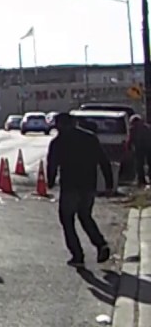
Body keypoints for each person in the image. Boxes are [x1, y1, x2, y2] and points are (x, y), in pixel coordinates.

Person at [47, 112, 113, 267]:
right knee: (85, 216)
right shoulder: (90, 138)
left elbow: (52, 165)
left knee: (67, 219)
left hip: (70, 186)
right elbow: (103, 161)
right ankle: (100, 244)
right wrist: (109, 183)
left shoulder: (58, 142)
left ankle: (77, 255)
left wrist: (50, 182)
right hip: (88, 185)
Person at [127, 115, 151, 186]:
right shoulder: (147, 127)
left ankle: (141, 179)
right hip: (147, 147)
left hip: (139, 148)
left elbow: (130, 139)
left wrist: (128, 147)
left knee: (139, 164)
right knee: (148, 163)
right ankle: (145, 178)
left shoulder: (133, 129)